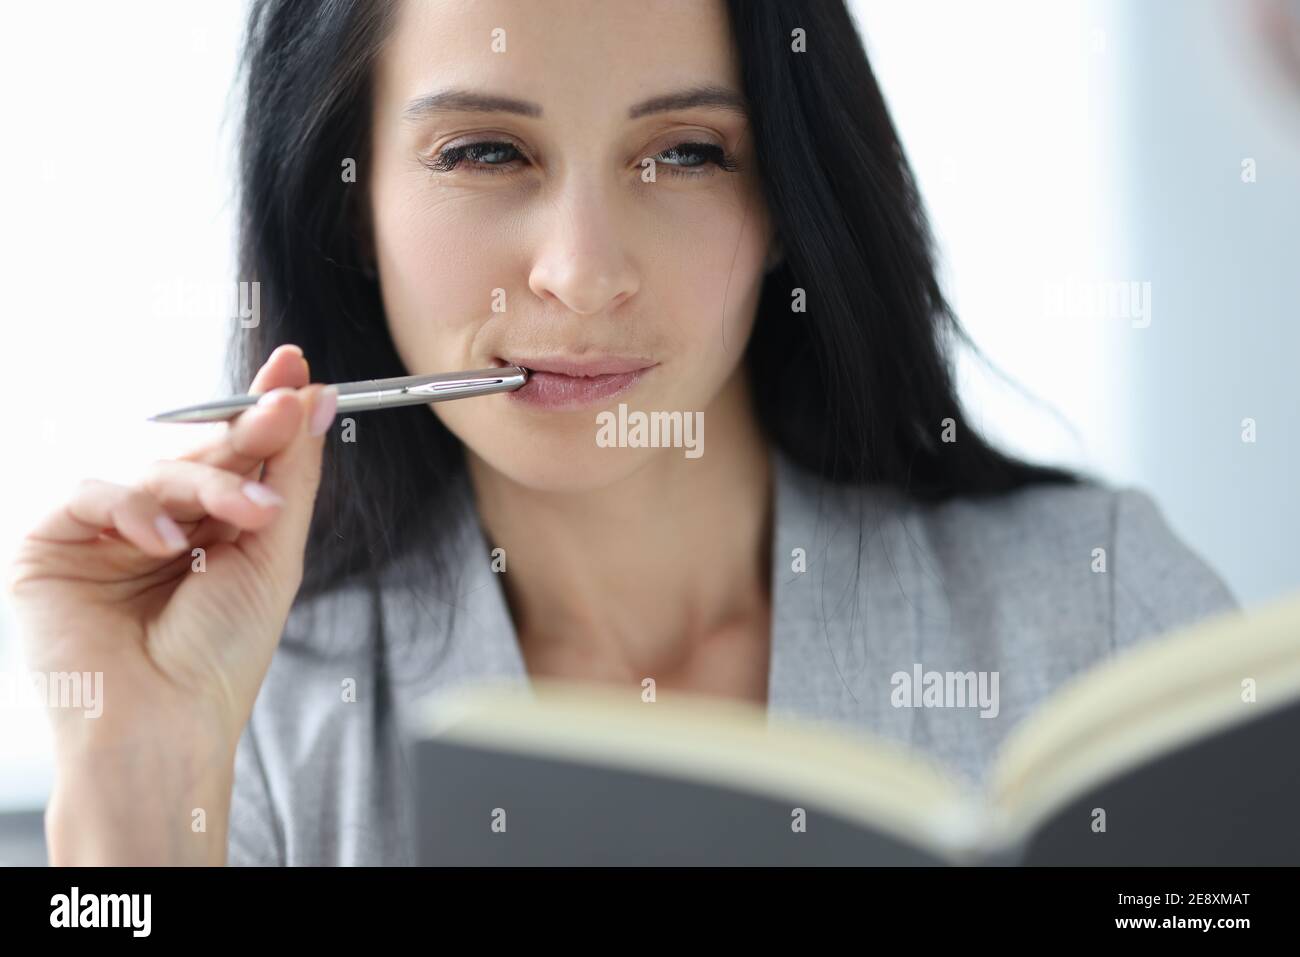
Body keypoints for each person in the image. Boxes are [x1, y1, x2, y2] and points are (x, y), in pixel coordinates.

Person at [5, 0, 1237, 866]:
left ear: (788, 203)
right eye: (484, 150)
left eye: (686, 154)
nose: (584, 276)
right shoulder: (263, 719)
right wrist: (129, 784)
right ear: (347, 204)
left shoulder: (1103, 611)